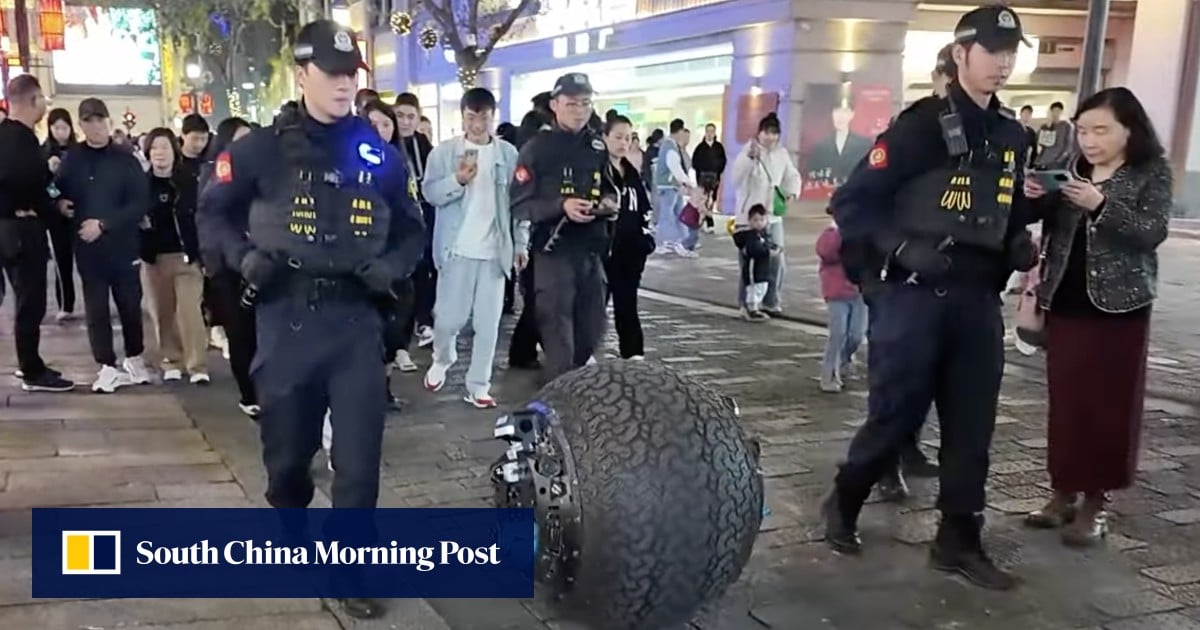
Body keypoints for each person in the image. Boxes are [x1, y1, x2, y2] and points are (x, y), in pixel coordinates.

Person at [195, 20, 425, 619]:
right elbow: (213, 215)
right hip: (286, 317)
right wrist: (244, 259)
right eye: (332, 74)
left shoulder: (378, 150)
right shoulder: (257, 151)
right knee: (289, 459)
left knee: (358, 459)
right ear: (302, 77)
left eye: (352, 74)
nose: (345, 84)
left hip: (355, 323)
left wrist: (392, 267)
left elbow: (410, 226)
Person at [821, 4, 1038, 591]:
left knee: (973, 425)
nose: (1002, 63)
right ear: (961, 54)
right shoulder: (920, 126)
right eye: (992, 51)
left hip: (976, 302)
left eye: (1010, 53)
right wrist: (897, 249)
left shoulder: (1013, 134)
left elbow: (1006, 207)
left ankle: (958, 538)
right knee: (895, 416)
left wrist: (1018, 240)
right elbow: (853, 203)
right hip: (916, 296)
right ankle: (845, 499)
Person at [1022, 88, 1172, 547]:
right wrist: (1035, 197)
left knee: (1110, 405)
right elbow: (1048, 223)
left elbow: (1152, 232)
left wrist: (1101, 205)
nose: (1089, 140)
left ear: (1130, 129)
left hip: (1121, 307)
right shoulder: (1073, 168)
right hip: (1065, 301)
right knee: (1066, 402)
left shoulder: (1151, 172)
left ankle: (1096, 500)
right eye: (1084, 130)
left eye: (1101, 130)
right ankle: (1062, 490)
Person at [421, 87, 523, 406]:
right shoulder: (444, 153)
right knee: (450, 319)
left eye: (484, 117)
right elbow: (431, 194)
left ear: (493, 117)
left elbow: (518, 206)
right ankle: (443, 358)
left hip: (494, 252)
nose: (477, 124)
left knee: (488, 323)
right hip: (456, 250)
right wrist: (458, 181)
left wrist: (520, 243)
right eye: (471, 117)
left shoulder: (507, 155)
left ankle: (478, 384)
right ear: (462, 117)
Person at [511, 72, 611, 381]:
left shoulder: (596, 145)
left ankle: (574, 385)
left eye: (585, 103)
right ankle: (559, 400)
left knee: (591, 328)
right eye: (571, 104)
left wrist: (608, 202)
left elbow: (606, 185)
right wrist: (560, 206)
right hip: (553, 253)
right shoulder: (537, 149)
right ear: (555, 105)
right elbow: (519, 204)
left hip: (591, 251)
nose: (579, 110)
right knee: (558, 333)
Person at [56, 97, 153, 393]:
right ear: (81, 125)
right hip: (88, 250)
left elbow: (139, 203)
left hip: (123, 246)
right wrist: (58, 203)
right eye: (88, 121)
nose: (95, 126)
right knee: (96, 310)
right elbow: (52, 187)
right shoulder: (72, 158)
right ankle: (106, 366)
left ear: (108, 122)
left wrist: (104, 225)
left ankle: (135, 357)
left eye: (100, 120)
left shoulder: (126, 158)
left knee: (130, 305)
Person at [0, 75, 75, 391]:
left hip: (6, 227)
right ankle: (31, 369)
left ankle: (29, 363)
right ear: (32, 101)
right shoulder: (23, 141)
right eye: (43, 99)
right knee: (31, 302)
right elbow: (34, 183)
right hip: (20, 230)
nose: (45, 105)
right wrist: (52, 206)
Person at [198, 116, 258, 417]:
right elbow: (209, 222)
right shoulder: (215, 175)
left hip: (258, 263)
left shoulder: (261, 173)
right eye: (240, 139)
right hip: (228, 268)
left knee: (260, 331)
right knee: (240, 332)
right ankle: (248, 393)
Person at [140, 127, 209, 385]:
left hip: (186, 256)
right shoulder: (141, 184)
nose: (159, 153)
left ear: (174, 150)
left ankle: (197, 364)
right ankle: (171, 359)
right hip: (154, 258)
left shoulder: (189, 181)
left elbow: (203, 215)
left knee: (190, 311)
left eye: (165, 147)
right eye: (155, 147)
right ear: (148, 151)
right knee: (163, 312)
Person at [731, 112, 801, 318]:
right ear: (759, 133)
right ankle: (747, 303)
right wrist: (749, 160)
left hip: (772, 217)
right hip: (750, 218)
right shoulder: (748, 152)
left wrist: (791, 193)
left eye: (774, 133)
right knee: (750, 261)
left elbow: (792, 175)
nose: (770, 137)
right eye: (766, 132)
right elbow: (736, 179)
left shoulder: (782, 154)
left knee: (776, 259)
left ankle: (771, 301)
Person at [601, 112, 654, 359]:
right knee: (594, 307)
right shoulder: (597, 171)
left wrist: (645, 240)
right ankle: (581, 354)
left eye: (628, 138)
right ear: (605, 137)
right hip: (601, 250)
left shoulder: (632, 173)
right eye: (618, 137)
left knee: (627, 305)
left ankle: (634, 355)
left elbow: (644, 209)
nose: (623, 143)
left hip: (630, 251)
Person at [815, 207, 866, 393]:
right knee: (838, 334)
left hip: (860, 291)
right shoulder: (831, 235)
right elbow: (826, 252)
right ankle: (829, 375)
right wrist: (842, 234)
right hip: (836, 292)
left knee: (856, 335)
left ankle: (844, 360)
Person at [42, 107, 80, 323]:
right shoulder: (44, 153)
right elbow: (44, 187)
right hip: (57, 217)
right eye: (56, 128)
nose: (60, 132)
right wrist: (57, 198)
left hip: (80, 211)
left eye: (64, 127)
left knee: (87, 260)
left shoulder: (79, 152)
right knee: (62, 260)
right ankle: (66, 304)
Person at [731, 204, 777, 321]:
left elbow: (767, 244)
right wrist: (768, 252)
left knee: (761, 288)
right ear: (749, 221)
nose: (759, 223)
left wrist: (774, 248)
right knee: (754, 290)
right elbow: (754, 250)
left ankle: (755, 308)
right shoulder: (750, 236)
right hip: (753, 270)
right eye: (755, 220)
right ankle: (752, 309)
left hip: (762, 270)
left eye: (762, 220)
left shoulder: (763, 234)